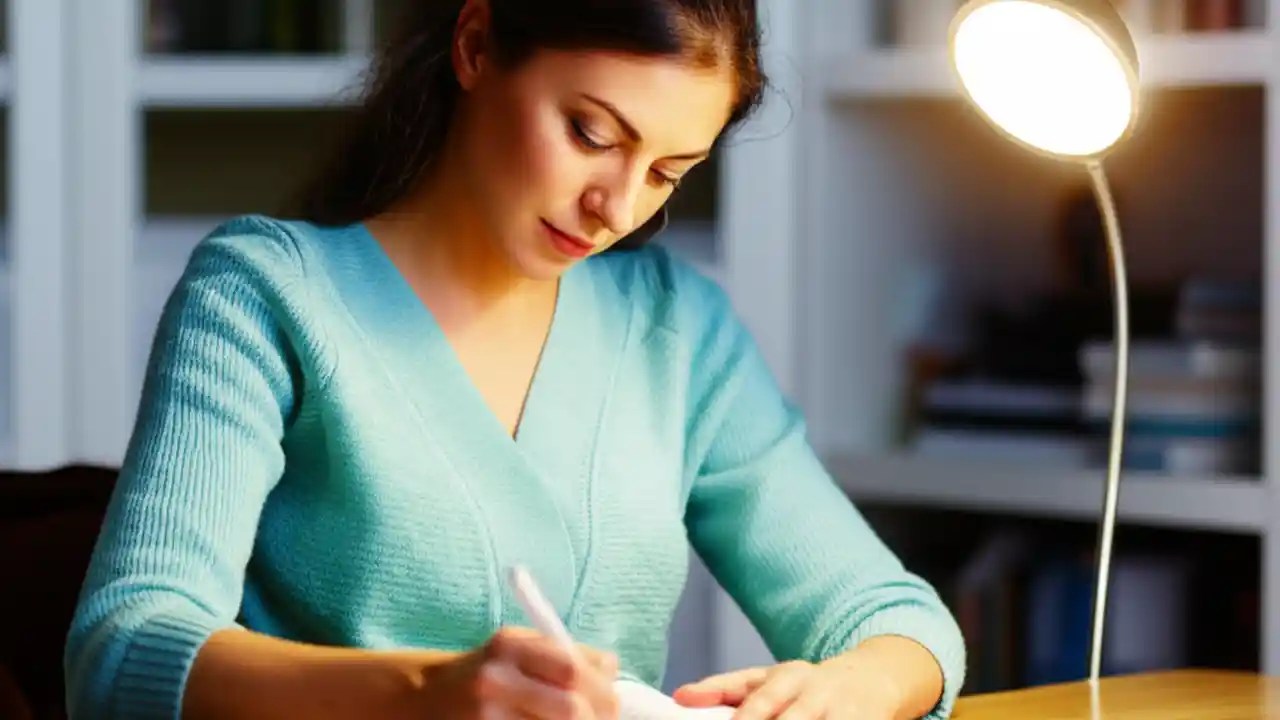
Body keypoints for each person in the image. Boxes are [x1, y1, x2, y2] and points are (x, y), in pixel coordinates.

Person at [63, 1, 967, 718]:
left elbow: (900, 622)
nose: (616, 207)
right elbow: (127, 644)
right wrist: (423, 696)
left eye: (667, 171)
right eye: (592, 134)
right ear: (477, 43)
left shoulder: (678, 332)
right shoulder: (267, 295)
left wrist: (856, 687)